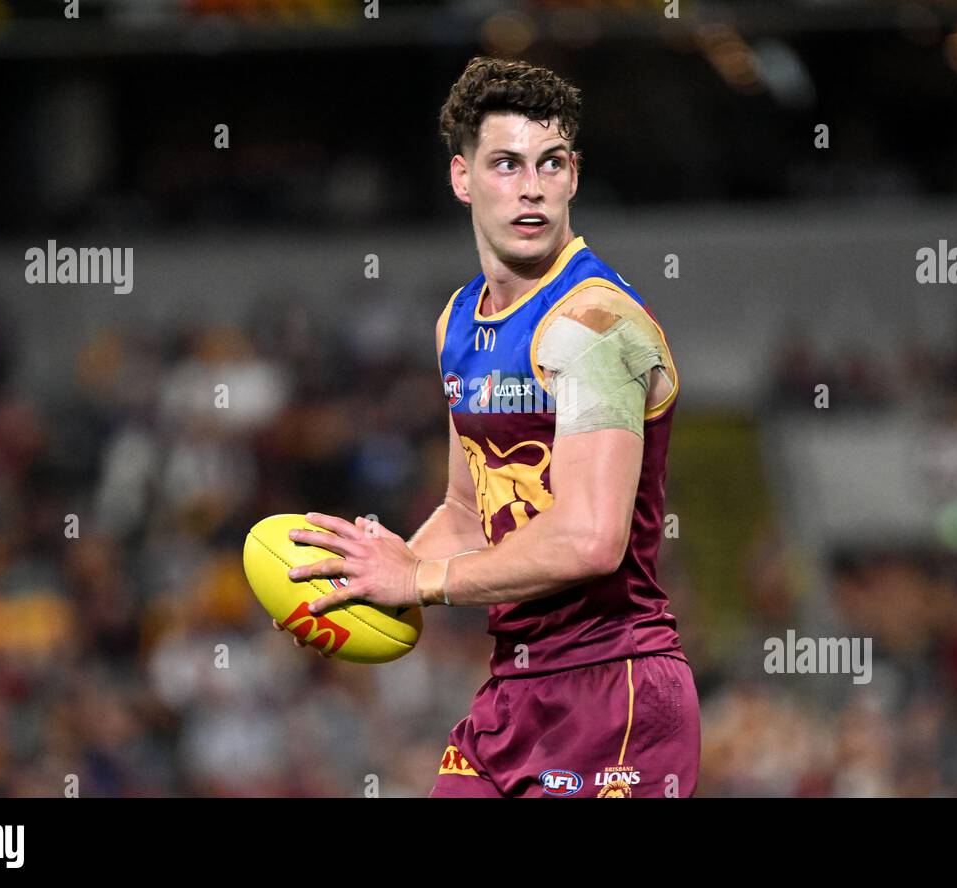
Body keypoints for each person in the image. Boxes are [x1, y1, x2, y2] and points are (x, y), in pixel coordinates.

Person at [277, 56, 698, 798]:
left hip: (617, 693)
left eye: (550, 163)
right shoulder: (457, 322)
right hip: (513, 691)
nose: (530, 186)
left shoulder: (596, 325)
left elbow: (591, 540)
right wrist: (372, 579)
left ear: (573, 176)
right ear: (462, 178)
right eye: (505, 164)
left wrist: (422, 581)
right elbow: (468, 512)